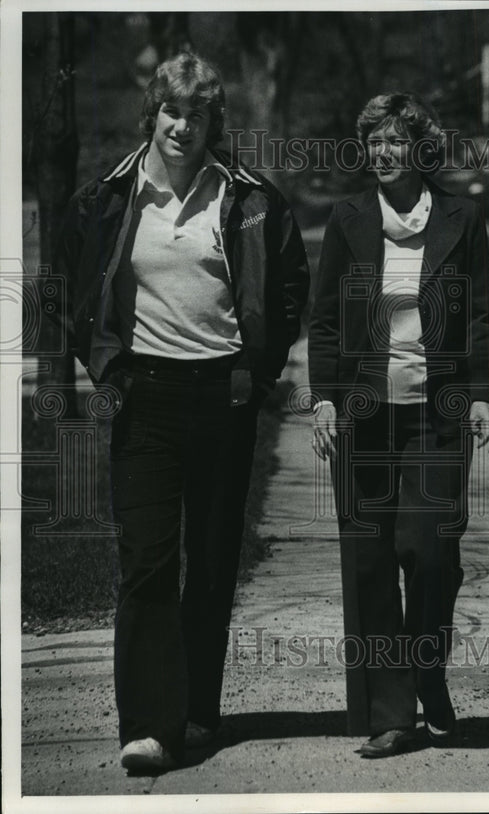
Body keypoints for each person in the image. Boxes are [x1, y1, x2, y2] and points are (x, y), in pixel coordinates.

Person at [53, 52, 309, 773]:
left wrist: (258, 375)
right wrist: (107, 369)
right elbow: (72, 289)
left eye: (197, 113)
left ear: (212, 122)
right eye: (172, 110)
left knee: (214, 560)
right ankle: (147, 726)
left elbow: (289, 288)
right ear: (152, 114)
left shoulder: (249, 198)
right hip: (146, 397)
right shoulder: (108, 197)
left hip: (224, 397)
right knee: (147, 562)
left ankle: (196, 709)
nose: (182, 126)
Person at [308, 92, 489, 758]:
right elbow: (325, 320)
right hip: (363, 417)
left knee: (430, 551)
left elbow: (481, 314)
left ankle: (428, 671)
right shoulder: (348, 218)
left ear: (421, 149)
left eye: (395, 140)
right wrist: (324, 399)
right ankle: (390, 714)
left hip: (436, 415)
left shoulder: (461, 218)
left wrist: (482, 396)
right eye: (374, 141)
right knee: (368, 561)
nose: (383, 151)